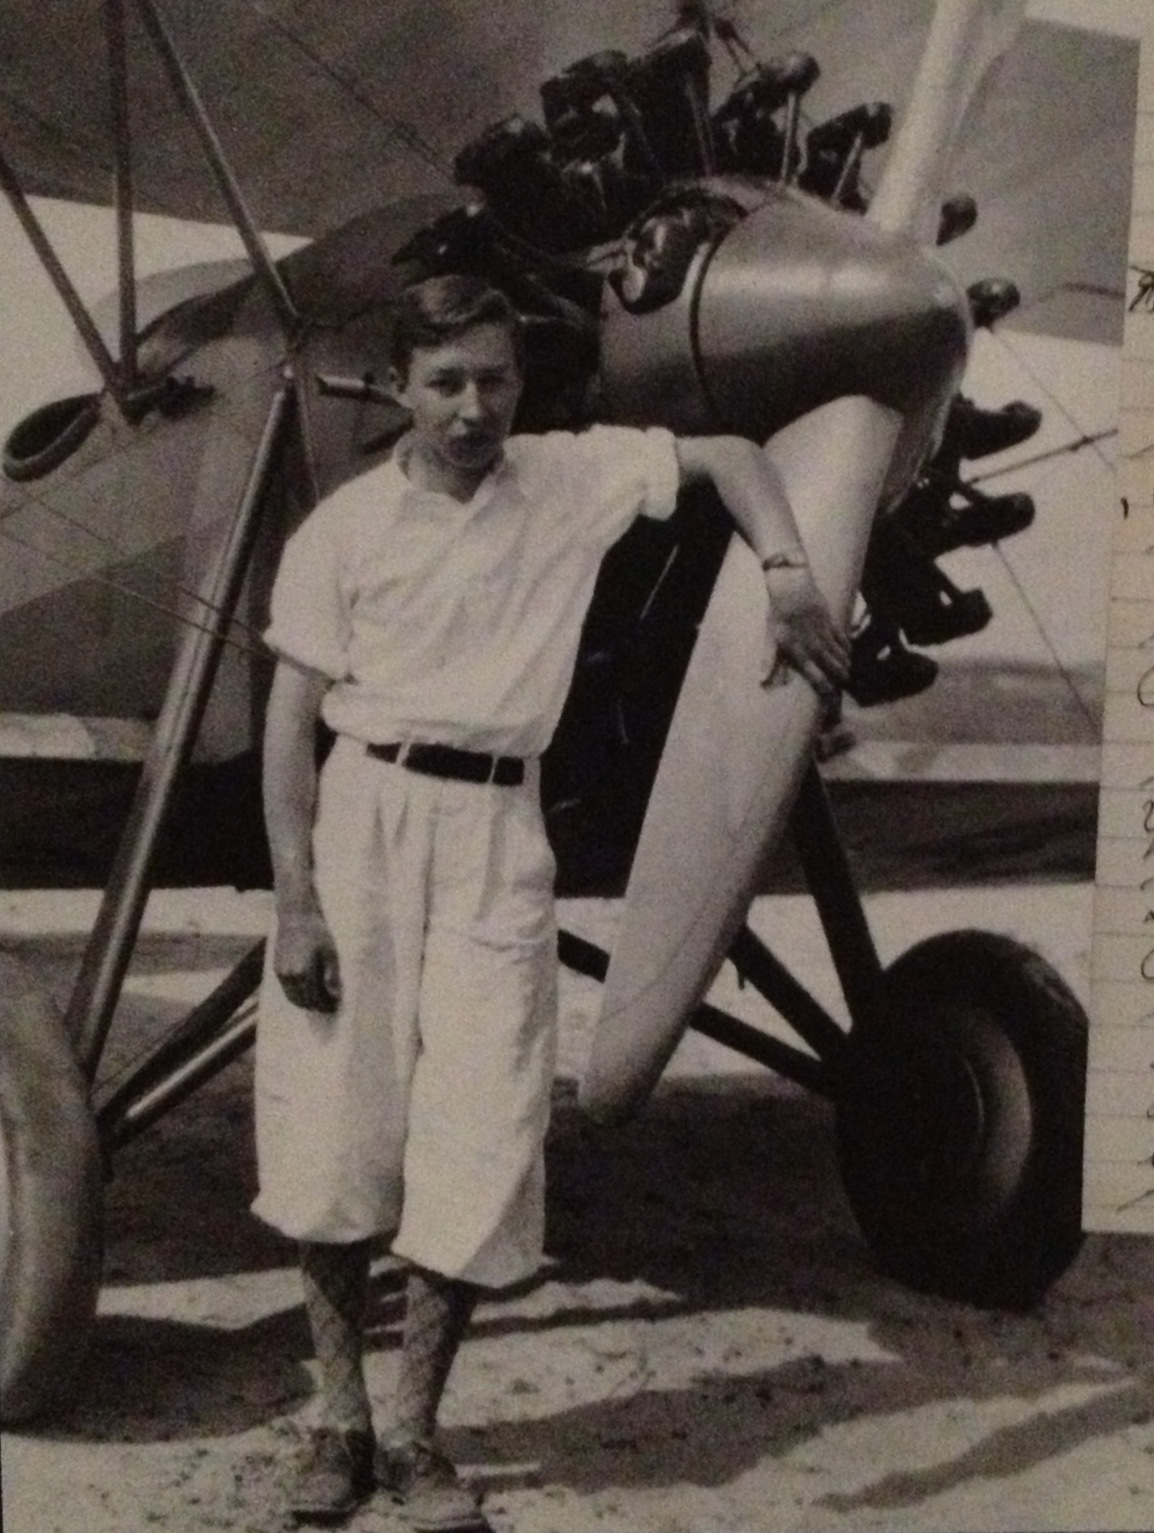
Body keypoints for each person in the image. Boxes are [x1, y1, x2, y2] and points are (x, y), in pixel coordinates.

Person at [253, 272, 849, 1528]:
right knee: (333, 1124)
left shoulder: (571, 479)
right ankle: (336, 1420)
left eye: (495, 381)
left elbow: (734, 455)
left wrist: (788, 570)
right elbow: (288, 727)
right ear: (403, 388)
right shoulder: (343, 532)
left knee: (479, 1125)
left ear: (521, 386)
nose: (473, 409)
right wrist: (296, 900)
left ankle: (413, 1435)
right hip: (364, 817)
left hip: (496, 826)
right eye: (446, 384)